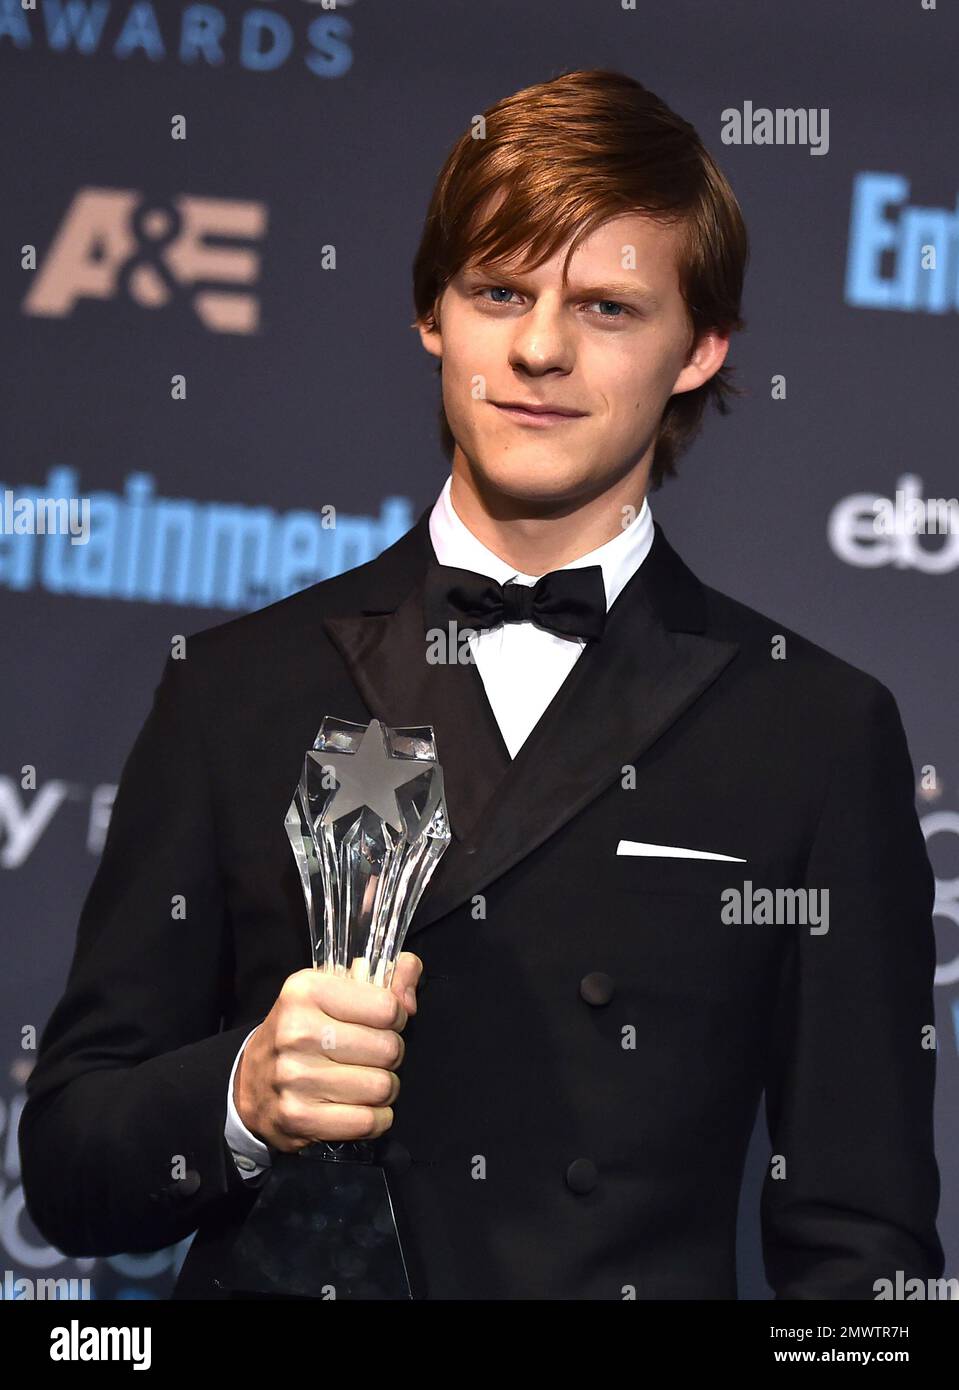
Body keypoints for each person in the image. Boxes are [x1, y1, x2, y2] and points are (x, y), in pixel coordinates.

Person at [19, 68, 943, 1300]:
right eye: (497, 289)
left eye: (607, 308)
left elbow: (859, 1246)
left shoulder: (811, 730)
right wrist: (242, 1094)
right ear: (430, 315)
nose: (539, 348)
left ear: (698, 348)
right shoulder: (238, 691)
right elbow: (72, 1168)